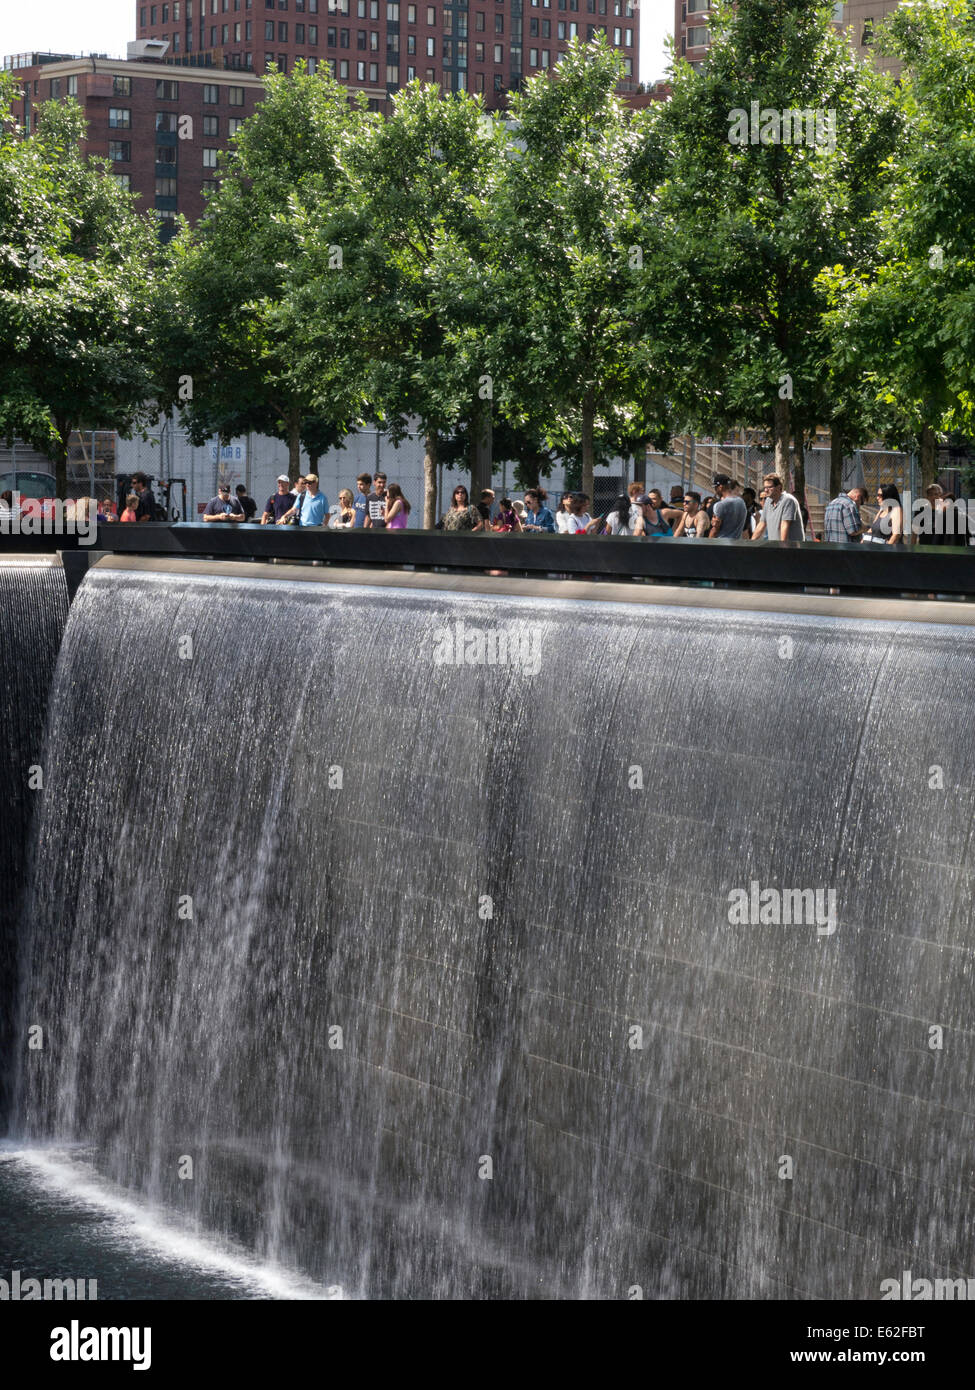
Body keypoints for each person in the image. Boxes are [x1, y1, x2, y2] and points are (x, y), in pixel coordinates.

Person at [751, 474, 804, 542]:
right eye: (765, 487)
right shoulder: (768, 501)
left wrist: (781, 549)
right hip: (775, 547)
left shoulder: (788, 500)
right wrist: (750, 544)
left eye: (769, 487)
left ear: (779, 487)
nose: (766, 490)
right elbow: (761, 524)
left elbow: (784, 525)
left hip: (791, 549)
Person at [709, 475, 748, 540]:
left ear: (720, 487)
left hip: (722, 544)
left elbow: (715, 529)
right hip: (736, 544)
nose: (715, 490)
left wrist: (708, 544)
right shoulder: (741, 502)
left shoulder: (720, 505)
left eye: (715, 488)